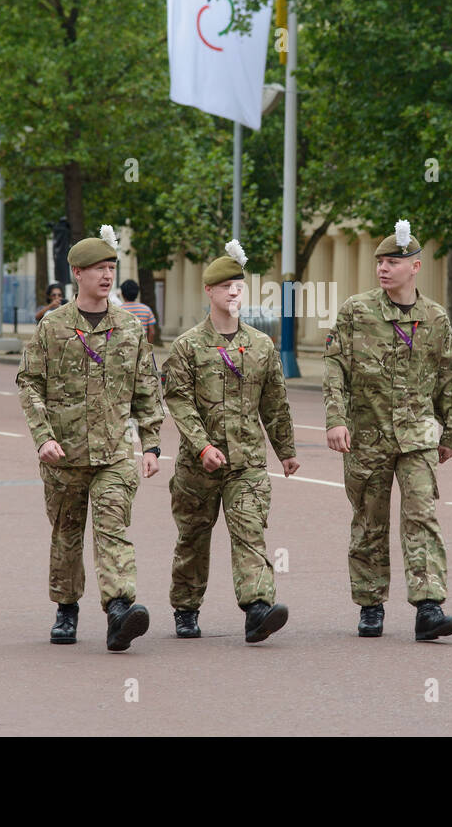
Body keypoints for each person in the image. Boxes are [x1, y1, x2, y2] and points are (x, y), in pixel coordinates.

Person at [15, 225, 165, 652]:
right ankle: (66, 608)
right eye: (98, 268)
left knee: (112, 526)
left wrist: (151, 445)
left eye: (111, 267)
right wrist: (42, 437)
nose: (106, 275)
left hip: (115, 453)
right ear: (77, 273)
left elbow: (146, 389)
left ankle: (120, 608)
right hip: (62, 456)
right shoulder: (53, 327)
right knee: (66, 533)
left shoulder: (130, 328)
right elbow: (29, 383)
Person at [323, 220, 452, 641]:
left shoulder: (435, 318)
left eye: (393, 262)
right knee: (369, 520)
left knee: (422, 515)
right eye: (380, 262)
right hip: (367, 435)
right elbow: (334, 367)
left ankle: (429, 607)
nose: (383, 268)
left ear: (415, 266)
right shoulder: (356, 311)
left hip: (418, 436)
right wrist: (335, 419)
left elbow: (450, 376)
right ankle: (370, 604)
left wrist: (451, 432)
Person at [162, 240, 299, 643]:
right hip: (197, 466)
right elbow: (179, 402)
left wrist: (286, 450)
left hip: (247, 463)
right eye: (226, 287)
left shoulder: (260, 345)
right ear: (210, 292)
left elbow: (275, 401)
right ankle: (185, 609)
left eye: (239, 286)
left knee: (250, 532)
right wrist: (203, 445)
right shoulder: (187, 346)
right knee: (193, 538)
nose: (234, 292)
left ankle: (258, 609)